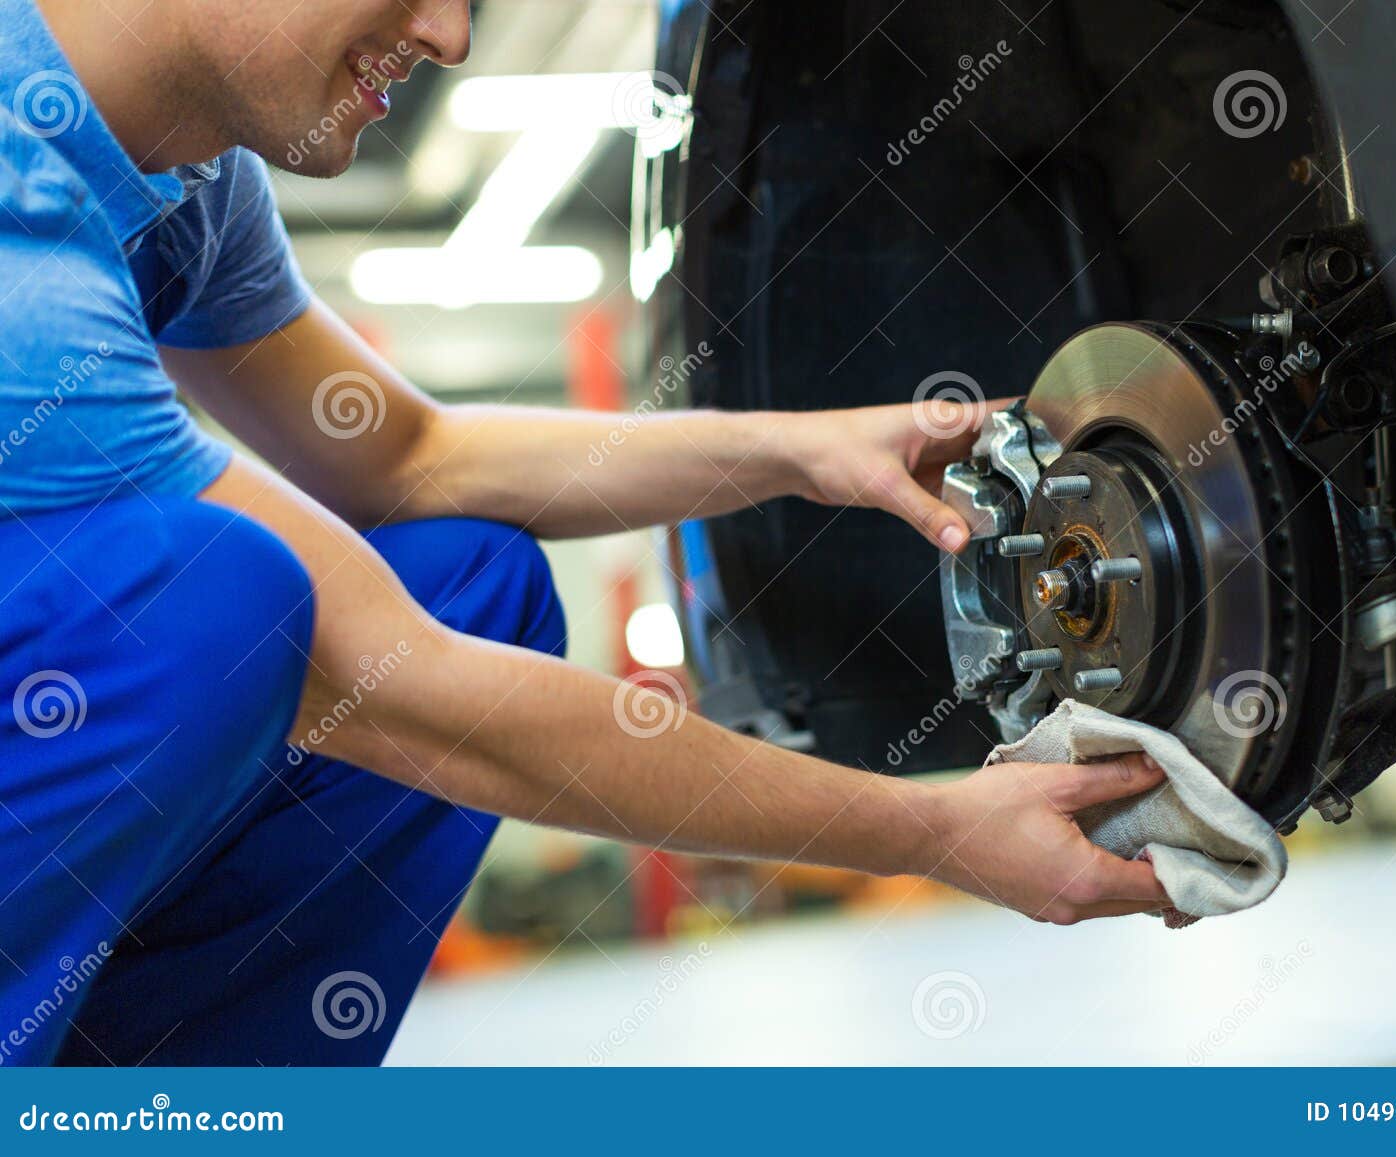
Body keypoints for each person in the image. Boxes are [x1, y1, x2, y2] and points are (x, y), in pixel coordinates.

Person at [0, 0, 1169, 1066]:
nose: (449, 36)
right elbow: (404, 690)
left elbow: (409, 457)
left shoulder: (189, 183)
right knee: (226, 597)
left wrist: (801, 451)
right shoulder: (21, 224)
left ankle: (160, 1101)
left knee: (470, 575)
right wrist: (934, 832)